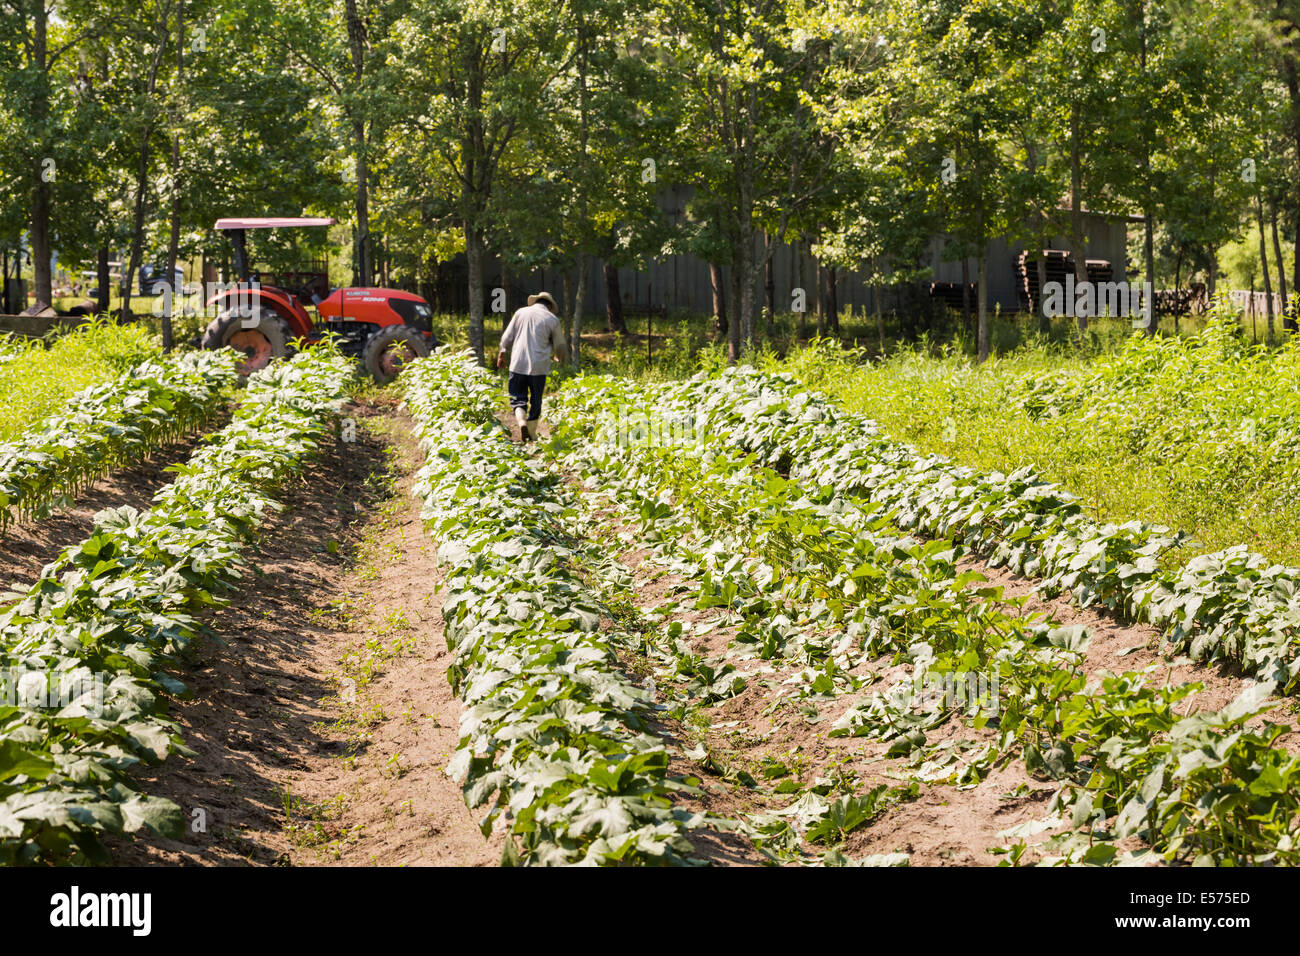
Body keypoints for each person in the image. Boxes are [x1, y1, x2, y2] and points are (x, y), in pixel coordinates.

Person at [497, 291, 569, 442]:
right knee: (536, 399)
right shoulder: (552, 319)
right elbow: (561, 345)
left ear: (536, 301)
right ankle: (531, 433)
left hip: (518, 364)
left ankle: (521, 422)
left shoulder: (520, 313)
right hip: (539, 367)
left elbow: (506, 337)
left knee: (517, 399)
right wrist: (561, 359)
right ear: (549, 305)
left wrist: (502, 353)